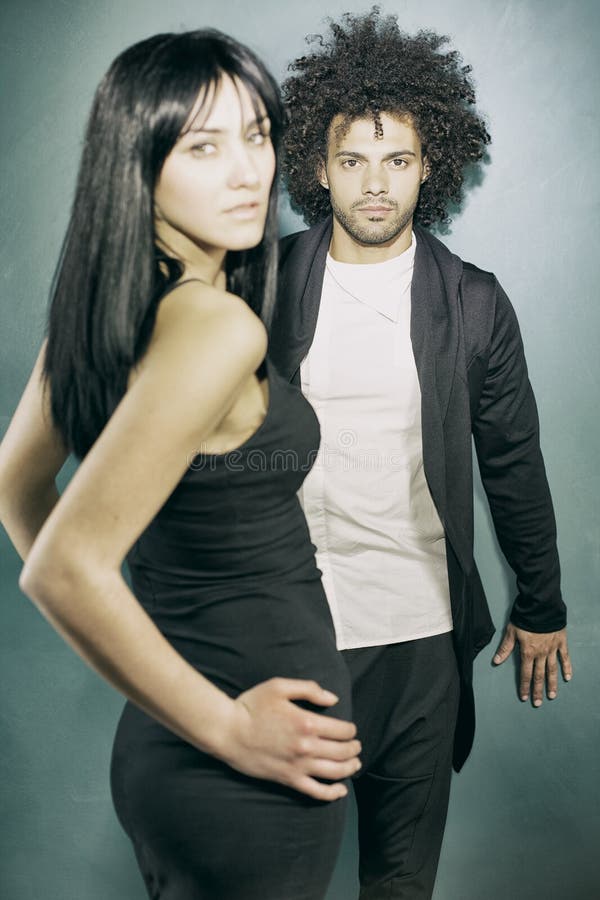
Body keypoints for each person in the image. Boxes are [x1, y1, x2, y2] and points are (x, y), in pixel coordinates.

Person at [0, 29, 361, 900]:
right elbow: (62, 568)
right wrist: (232, 729)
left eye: (257, 134)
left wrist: (174, 657)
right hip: (244, 781)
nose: (249, 172)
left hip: (169, 754)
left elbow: (13, 488)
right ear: (140, 161)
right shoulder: (216, 326)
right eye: (204, 146)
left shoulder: (100, 315)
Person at [270, 9, 573, 899]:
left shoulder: (473, 304)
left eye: (396, 160)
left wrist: (543, 605)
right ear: (317, 168)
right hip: (290, 631)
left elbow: (514, 460)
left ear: (428, 165)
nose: (374, 184)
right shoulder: (264, 283)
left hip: (418, 640)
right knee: (273, 876)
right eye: (353, 160)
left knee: (399, 884)